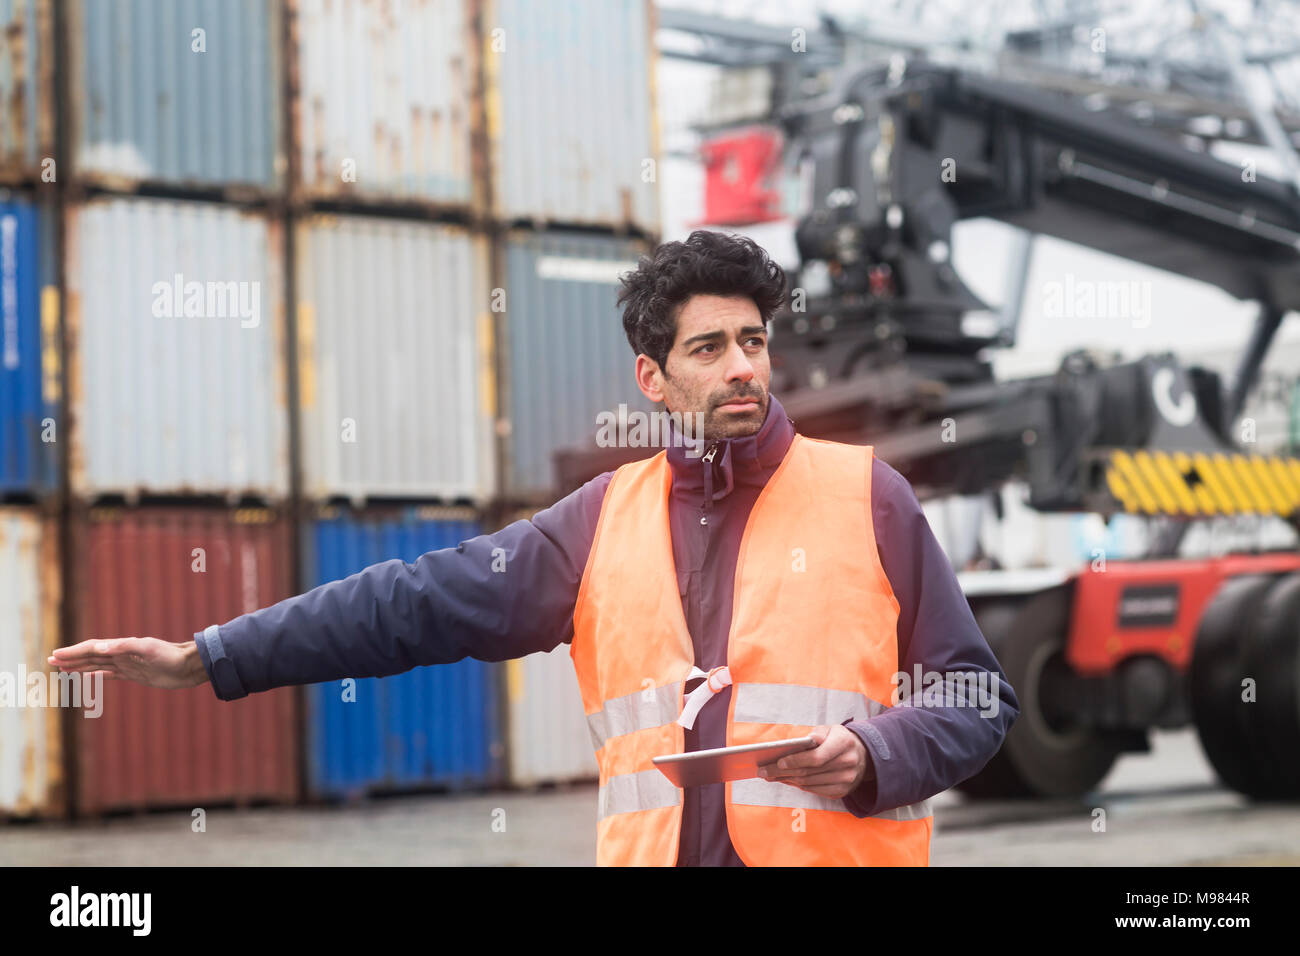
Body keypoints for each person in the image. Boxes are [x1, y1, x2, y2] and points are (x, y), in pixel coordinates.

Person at [50, 229, 1018, 866]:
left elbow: (976, 697)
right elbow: (411, 603)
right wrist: (212, 654)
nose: (742, 367)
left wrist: (874, 748)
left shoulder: (867, 496)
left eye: (753, 341)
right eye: (709, 347)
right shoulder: (600, 520)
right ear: (652, 375)